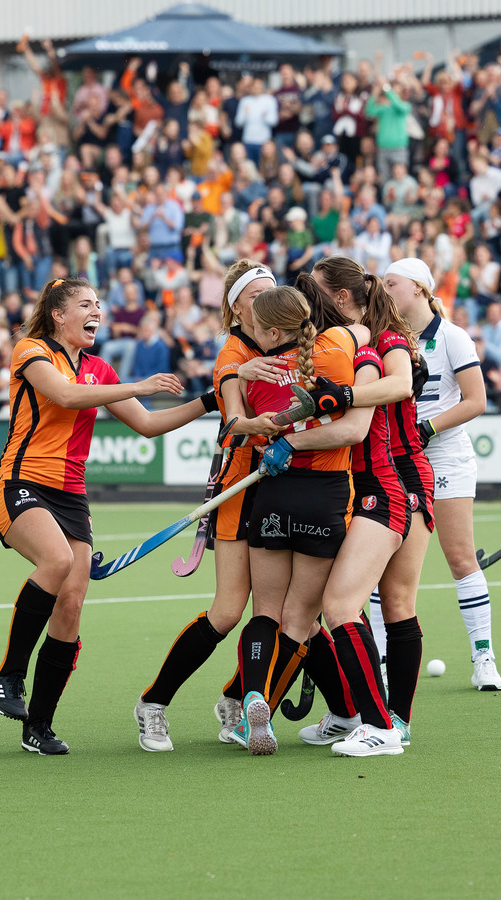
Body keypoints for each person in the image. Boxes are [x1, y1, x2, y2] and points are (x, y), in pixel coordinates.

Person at [0, 278, 216, 755]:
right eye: (86, 304)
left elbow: (149, 425)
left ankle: (39, 727)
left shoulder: (99, 368)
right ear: (58, 315)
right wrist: (138, 385)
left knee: (70, 607)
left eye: (99, 305)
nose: (98, 312)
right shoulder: (31, 351)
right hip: (21, 482)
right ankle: (8, 675)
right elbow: (66, 396)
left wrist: (212, 399)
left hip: (71, 497)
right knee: (56, 560)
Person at [133, 261, 289, 752]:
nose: (269, 300)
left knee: (282, 613)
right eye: (258, 294)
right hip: (242, 488)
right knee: (227, 611)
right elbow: (232, 417)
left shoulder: (285, 343)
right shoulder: (233, 352)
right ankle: (153, 703)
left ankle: (236, 700)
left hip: (286, 488)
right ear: (237, 306)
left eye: (274, 291)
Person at [228, 283, 373, 755]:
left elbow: (241, 430)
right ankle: (267, 707)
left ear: (272, 331)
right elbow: (364, 330)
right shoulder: (336, 351)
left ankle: (252, 695)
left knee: (265, 611)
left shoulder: (255, 374)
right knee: (299, 619)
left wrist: (235, 374)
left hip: (273, 494)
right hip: (326, 498)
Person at [300, 255, 434, 749]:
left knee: (392, 602)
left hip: (398, 474)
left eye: (317, 291)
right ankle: (358, 714)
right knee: (327, 603)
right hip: (359, 479)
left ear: (340, 296)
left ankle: (390, 723)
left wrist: (340, 396)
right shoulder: (340, 341)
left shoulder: (385, 337)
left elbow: (397, 386)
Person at [388, 258, 501, 690]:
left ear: (418, 288)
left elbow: (476, 400)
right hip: (398, 462)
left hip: (446, 458)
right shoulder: (390, 338)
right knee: (387, 565)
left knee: (461, 559)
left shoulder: (453, 336)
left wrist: (426, 428)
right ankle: (384, 663)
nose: (384, 291)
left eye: (391, 283)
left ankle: (484, 658)